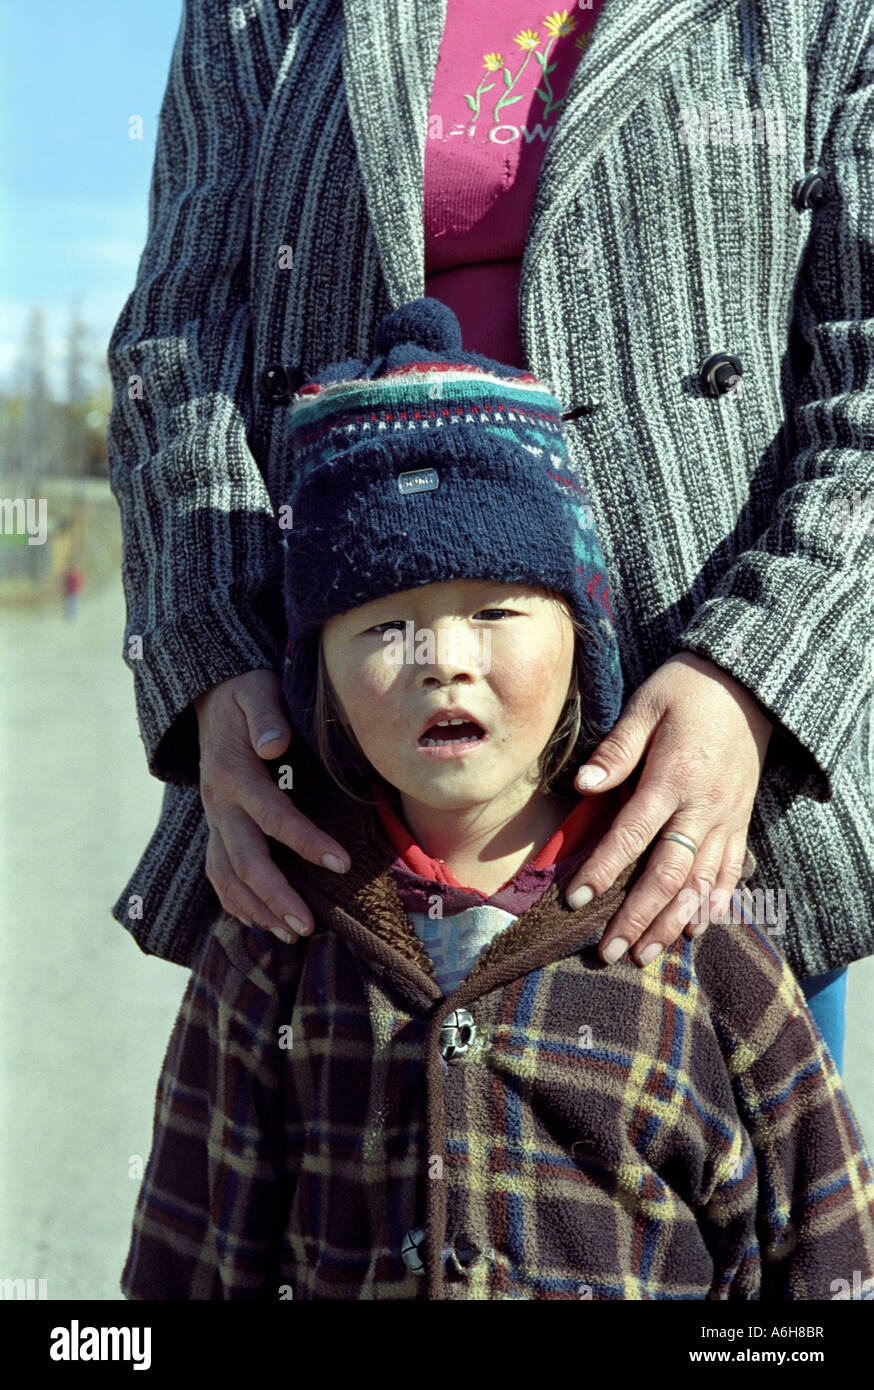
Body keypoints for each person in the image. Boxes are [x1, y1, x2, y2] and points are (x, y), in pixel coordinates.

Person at [106, 1, 874, 1074]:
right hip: (350, 744)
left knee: (751, 1210)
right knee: (323, 1202)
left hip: (707, 752)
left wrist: (758, 678)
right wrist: (215, 655)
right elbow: (176, 342)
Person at [120, 302, 874, 1300]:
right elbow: (188, 1262)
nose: (444, 662)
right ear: (319, 683)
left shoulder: (703, 943)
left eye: (494, 611)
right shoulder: (271, 946)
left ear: (582, 645)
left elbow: (824, 1261)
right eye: (384, 624)